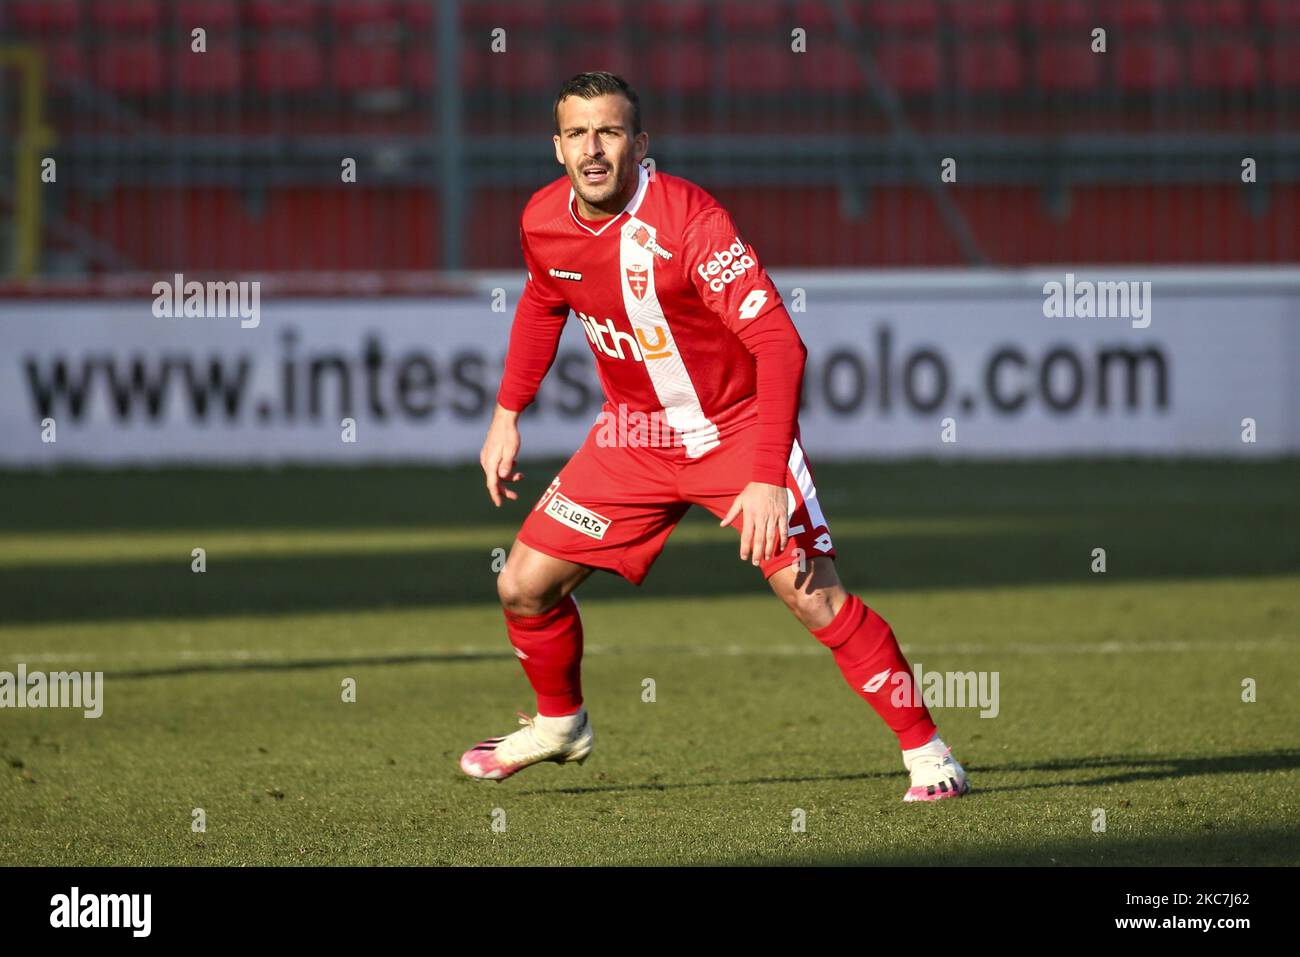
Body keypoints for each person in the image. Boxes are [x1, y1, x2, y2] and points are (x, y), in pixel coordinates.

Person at [462, 72, 969, 802]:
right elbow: (545, 302)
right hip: (632, 438)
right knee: (522, 585)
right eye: (578, 134)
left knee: (811, 595)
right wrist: (507, 412)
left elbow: (780, 346)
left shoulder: (689, 220)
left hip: (734, 433)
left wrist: (765, 475)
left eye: (609, 132)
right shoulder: (543, 219)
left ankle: (928, 751)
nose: (593, 149)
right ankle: (560, 724)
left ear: (640, 143)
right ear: (557, 147)